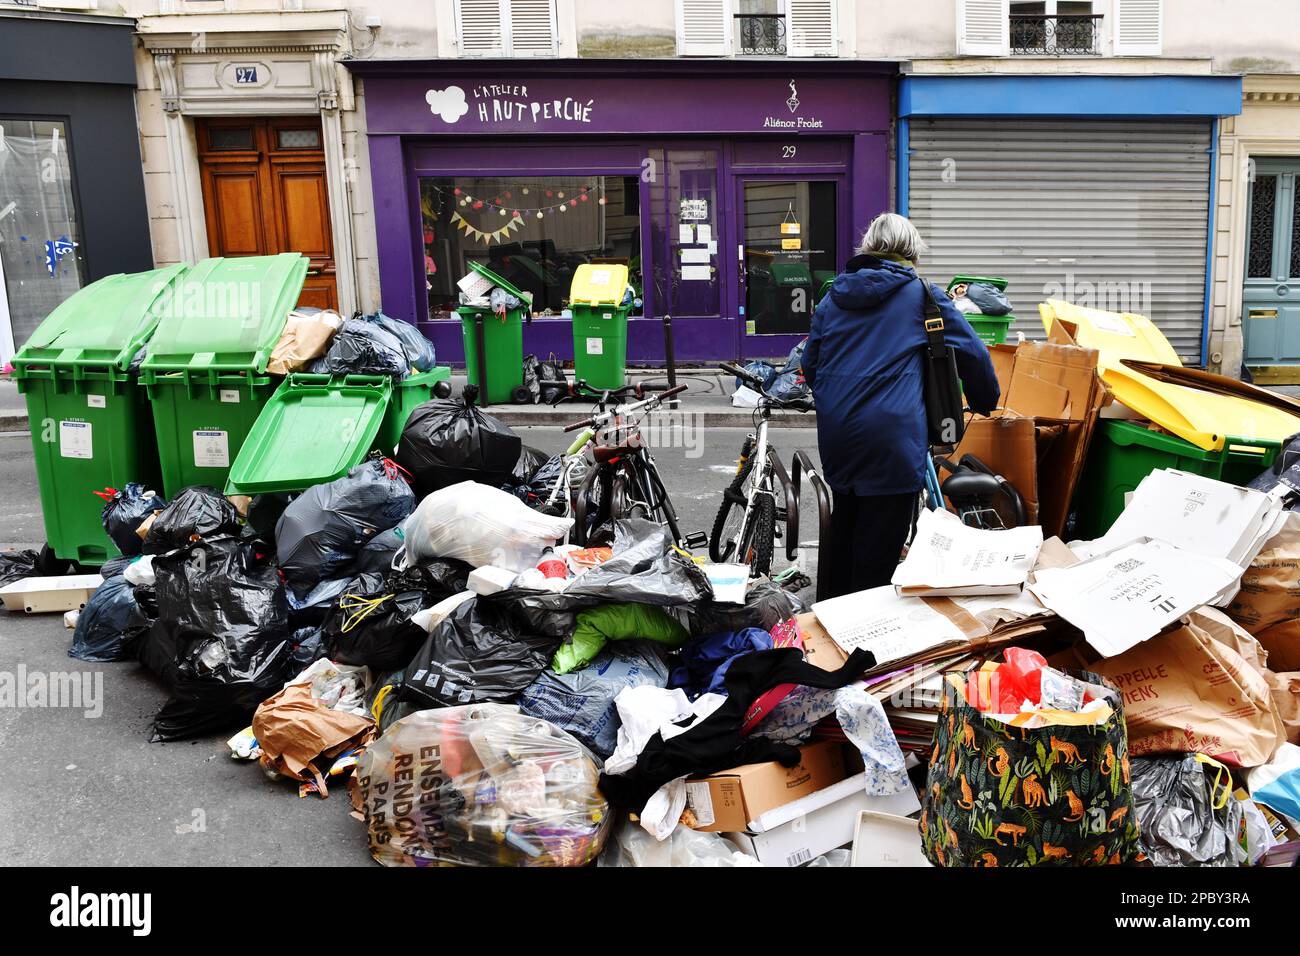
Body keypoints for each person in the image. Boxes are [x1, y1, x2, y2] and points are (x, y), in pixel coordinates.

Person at [803, 212, 1000, 598]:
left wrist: (838, 402)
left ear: (868, 248)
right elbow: (974, 355)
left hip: (839, 434)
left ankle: (831, 614)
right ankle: (867, 638)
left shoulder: (833, 298)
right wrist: (984, 400)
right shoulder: (923, 295)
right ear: (912, 252)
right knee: (879, 545)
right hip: (892, 437)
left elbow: (811, 364)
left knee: (845, 523)